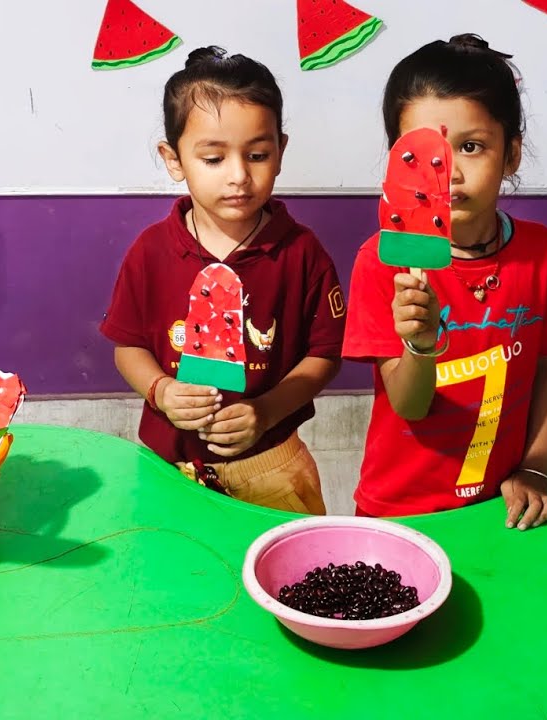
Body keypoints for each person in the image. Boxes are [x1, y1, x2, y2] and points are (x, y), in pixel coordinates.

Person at [344, 34, 547, 529]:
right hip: (401, 509)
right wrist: (420, 343)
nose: (448, 173)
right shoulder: (380, 262)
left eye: (471, 147)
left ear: (512, 154)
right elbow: (410, 407)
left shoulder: (544, 253)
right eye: (421, 155)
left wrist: (538, 467)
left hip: (503, 505)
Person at [100, 46, 346, 514]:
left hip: (272, 464)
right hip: (170, 465)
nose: (239, 176)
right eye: (213, 159)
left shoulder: (302, 252)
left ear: (280, 151)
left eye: (257, 154)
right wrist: (161, 390)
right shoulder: (151, 252)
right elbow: (127, 347)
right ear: (173, 160)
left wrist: (268, 410)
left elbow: (324, 356)